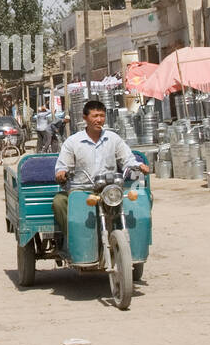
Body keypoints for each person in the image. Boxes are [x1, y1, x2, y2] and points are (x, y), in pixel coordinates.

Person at [52, 99, 151, 242]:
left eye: (102, 116)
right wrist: (61, 173)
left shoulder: (113, 138)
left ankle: (134, 242)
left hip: (109, 190)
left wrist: (138, 165)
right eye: (95, 116)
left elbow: (127, 159)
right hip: (81, 191)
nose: (99, 120)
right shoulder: (72, 142)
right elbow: (62, 167)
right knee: (59, 202)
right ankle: (74, 240)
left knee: (142, 199)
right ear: (85, 118)